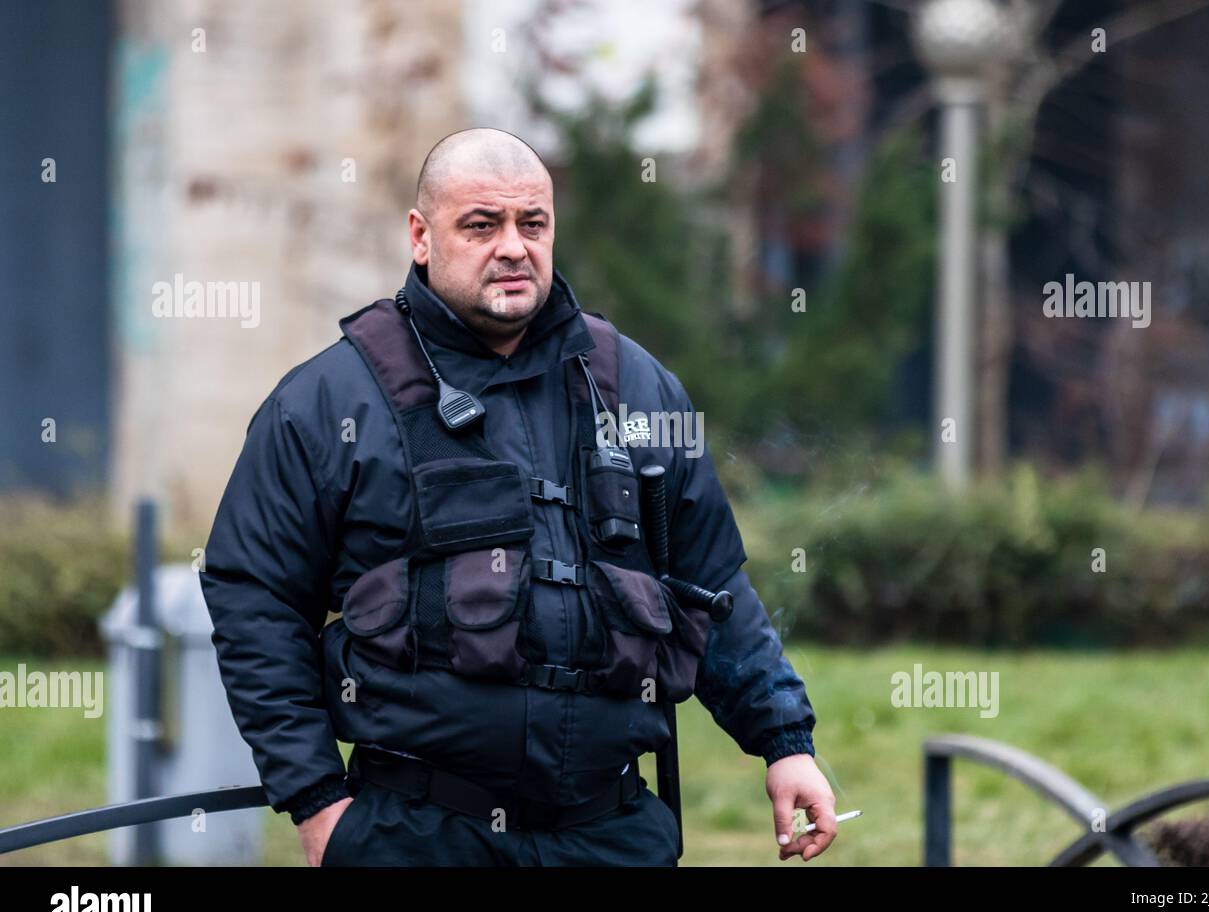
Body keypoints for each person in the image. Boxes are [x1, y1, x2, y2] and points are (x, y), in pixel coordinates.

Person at [199, 127, 836, 866]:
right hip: (418, 838)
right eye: (481, 224)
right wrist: (315, 801)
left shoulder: (638, 386)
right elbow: (254, 598)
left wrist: (784, 743)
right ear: (421, 235)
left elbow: (713, 581)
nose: (512, 246)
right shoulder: (326, 402)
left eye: (532, 223)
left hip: (611, 834)